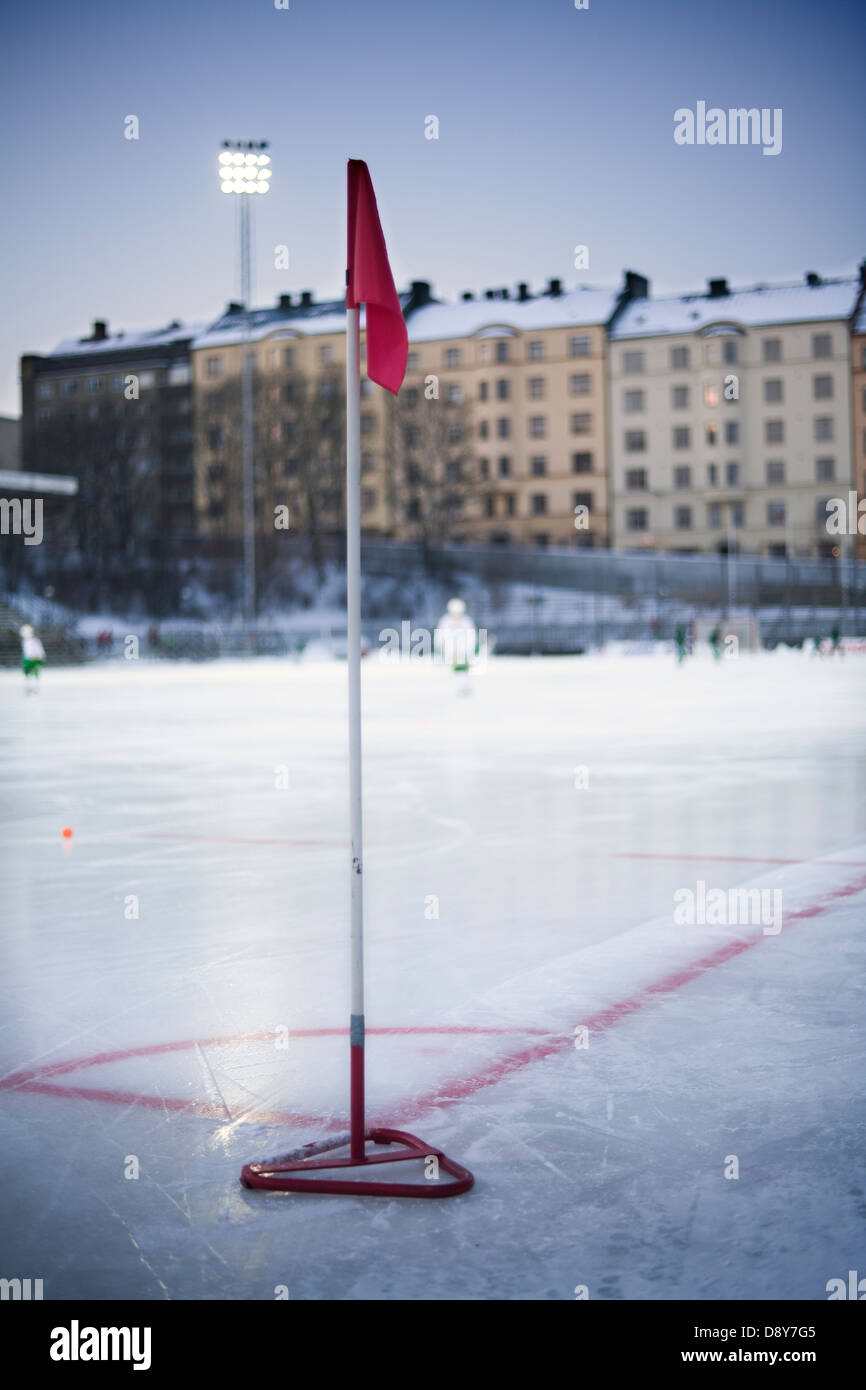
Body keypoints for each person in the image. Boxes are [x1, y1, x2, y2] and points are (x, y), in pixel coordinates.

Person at [436, 598, 477, 691]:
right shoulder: (445, 621)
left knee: (463, 671)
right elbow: (439, 636)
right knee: (451, 672)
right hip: (449, 652)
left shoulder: (467, 621)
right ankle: (453, 690)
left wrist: (469, 650)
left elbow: (472, 636)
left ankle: (463, 688)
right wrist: (440, 650)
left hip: (463, 652)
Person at [20, 624, 46, 692]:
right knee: (27, 673)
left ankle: (35, 687)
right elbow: (26, 651)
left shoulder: (35, 641)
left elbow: (40, 650)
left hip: (35, 659)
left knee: (35, 673)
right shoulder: (25, 641)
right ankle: (28, 687)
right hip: (28, 659)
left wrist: (40, 657)